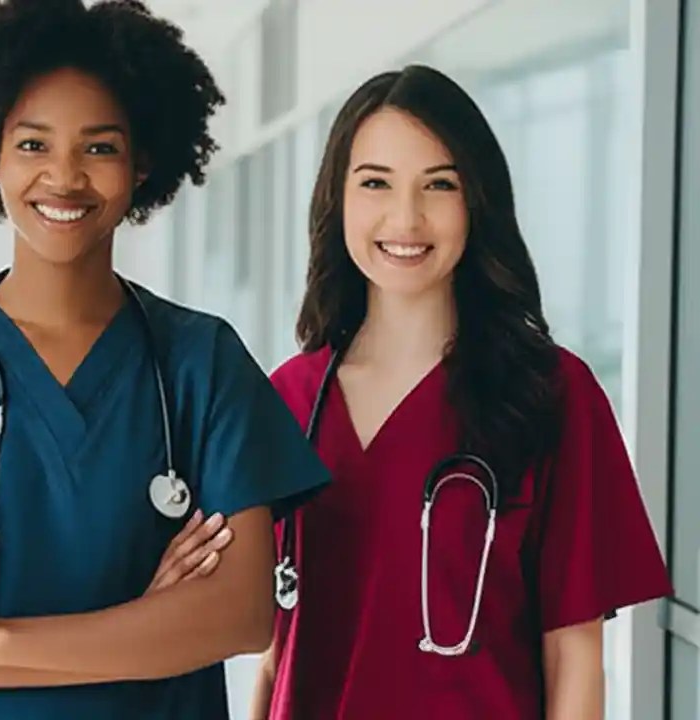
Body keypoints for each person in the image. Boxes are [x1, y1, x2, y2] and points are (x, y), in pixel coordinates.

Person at [0, 1, 330, 718]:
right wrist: (144, 632)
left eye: (99, 147)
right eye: (33, 145)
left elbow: (238, 614)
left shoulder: (202, 364)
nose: (64, 176)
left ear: (142, 164)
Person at [248, 64, 673, 720]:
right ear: (339, 200)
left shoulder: (552, 395)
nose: (406, 217)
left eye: (438, 184)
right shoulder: (288, 400)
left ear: (476, 199)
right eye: (375, 183)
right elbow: (277, 656)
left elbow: (576, 656)